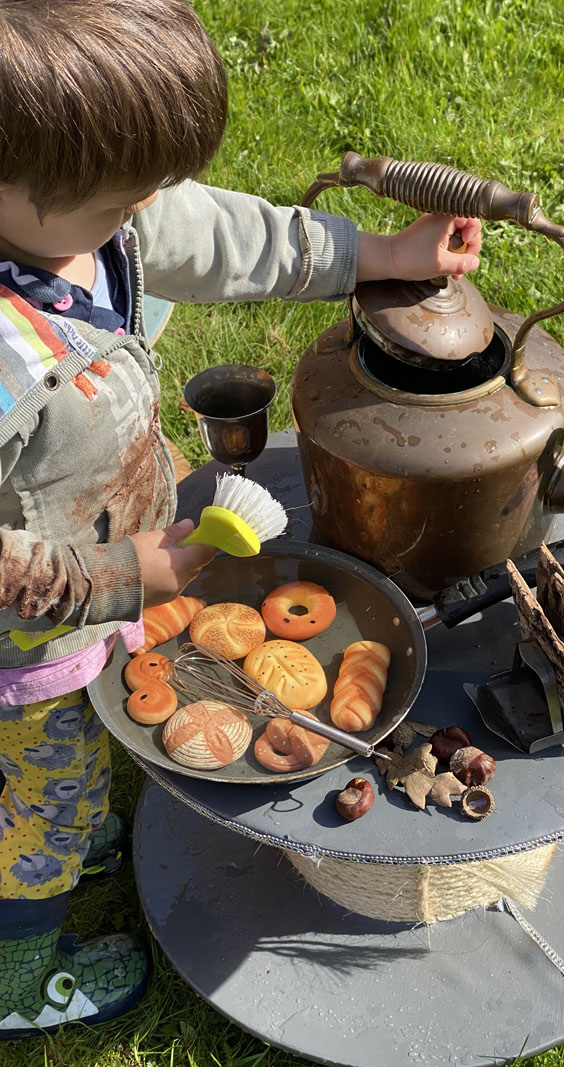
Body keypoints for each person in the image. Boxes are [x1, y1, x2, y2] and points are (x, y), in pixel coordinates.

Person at [0, 0, 481, 1039]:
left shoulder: (86, 211)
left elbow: (222, 236)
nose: (144, 213)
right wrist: (110, 579)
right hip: (30, 637)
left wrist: (379, 253)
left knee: (67, 761)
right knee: (52, 801)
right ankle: (21, 969)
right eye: (120, 199)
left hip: (105, 557)